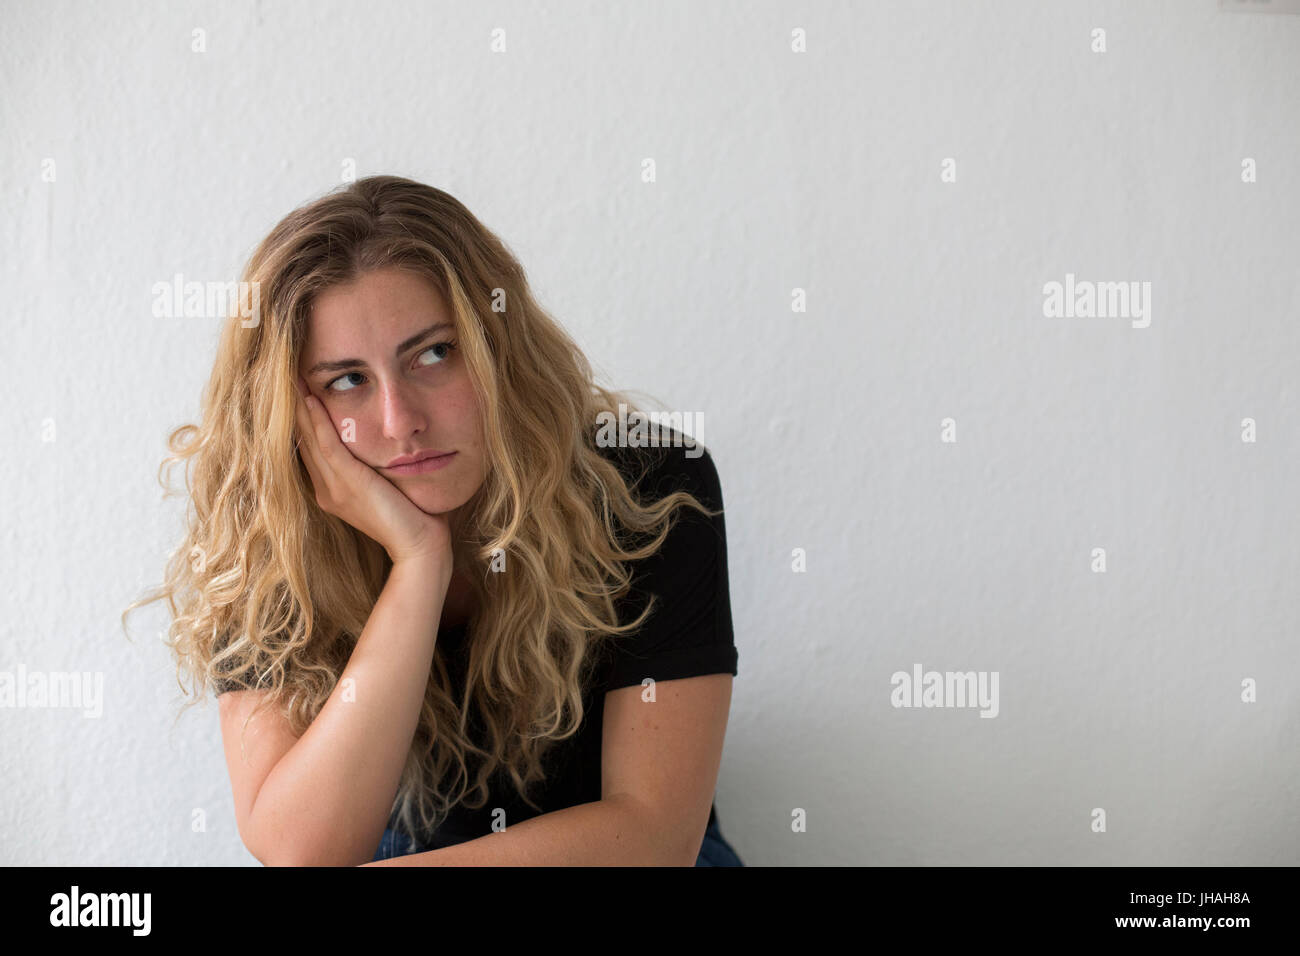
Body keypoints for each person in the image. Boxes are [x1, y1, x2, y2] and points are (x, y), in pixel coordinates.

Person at [123, 175, 743, 867]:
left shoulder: (645, 483)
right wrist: (419, 565)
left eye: (434, 354)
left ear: (500, 353)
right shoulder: (268, 528)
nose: (401, 422)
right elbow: (301, 849)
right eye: (347, 380)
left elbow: (655, 837)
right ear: (292, 414)